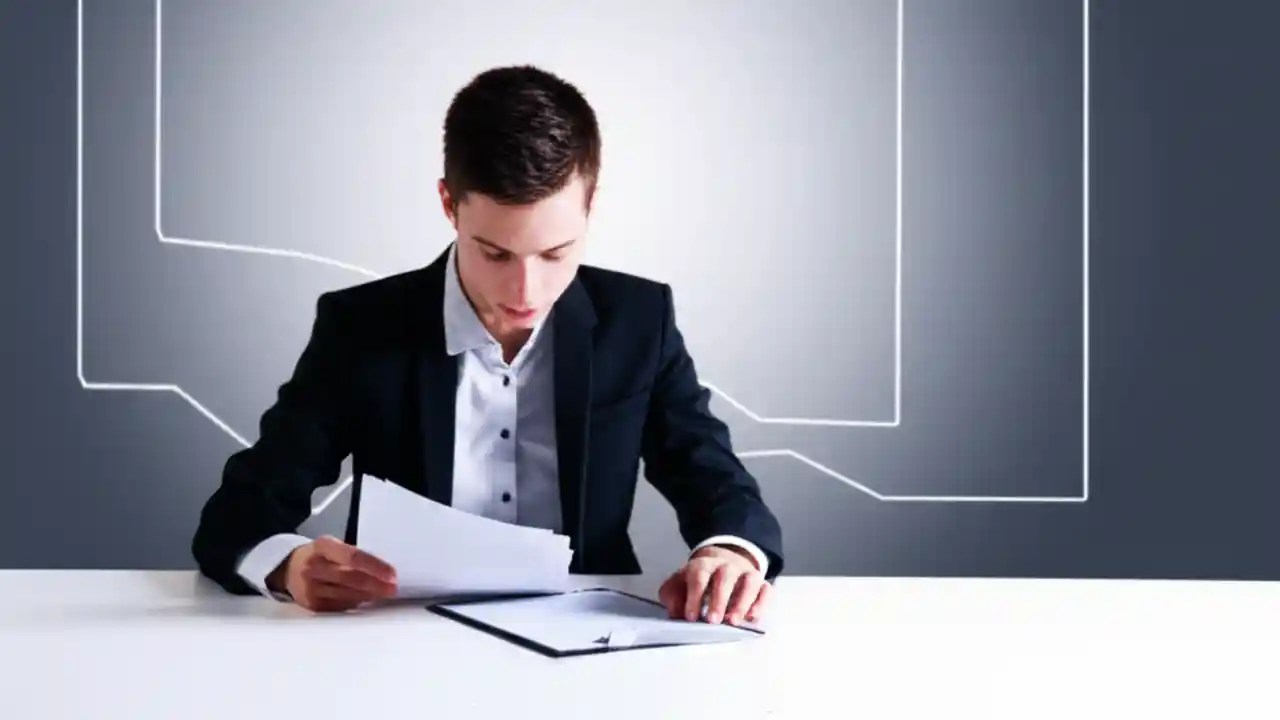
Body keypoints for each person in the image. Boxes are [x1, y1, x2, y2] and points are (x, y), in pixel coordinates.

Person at [191, 64, 784, 626]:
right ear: (449, 204)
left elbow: (716, 480)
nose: (526, 292)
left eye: (555, 253)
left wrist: (730, 552)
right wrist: (288, 566)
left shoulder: (638, 321)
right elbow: (237, 516)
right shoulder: (360, 327)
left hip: (590, 642)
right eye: (495, 253)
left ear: (591, 204)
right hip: (394, 640)